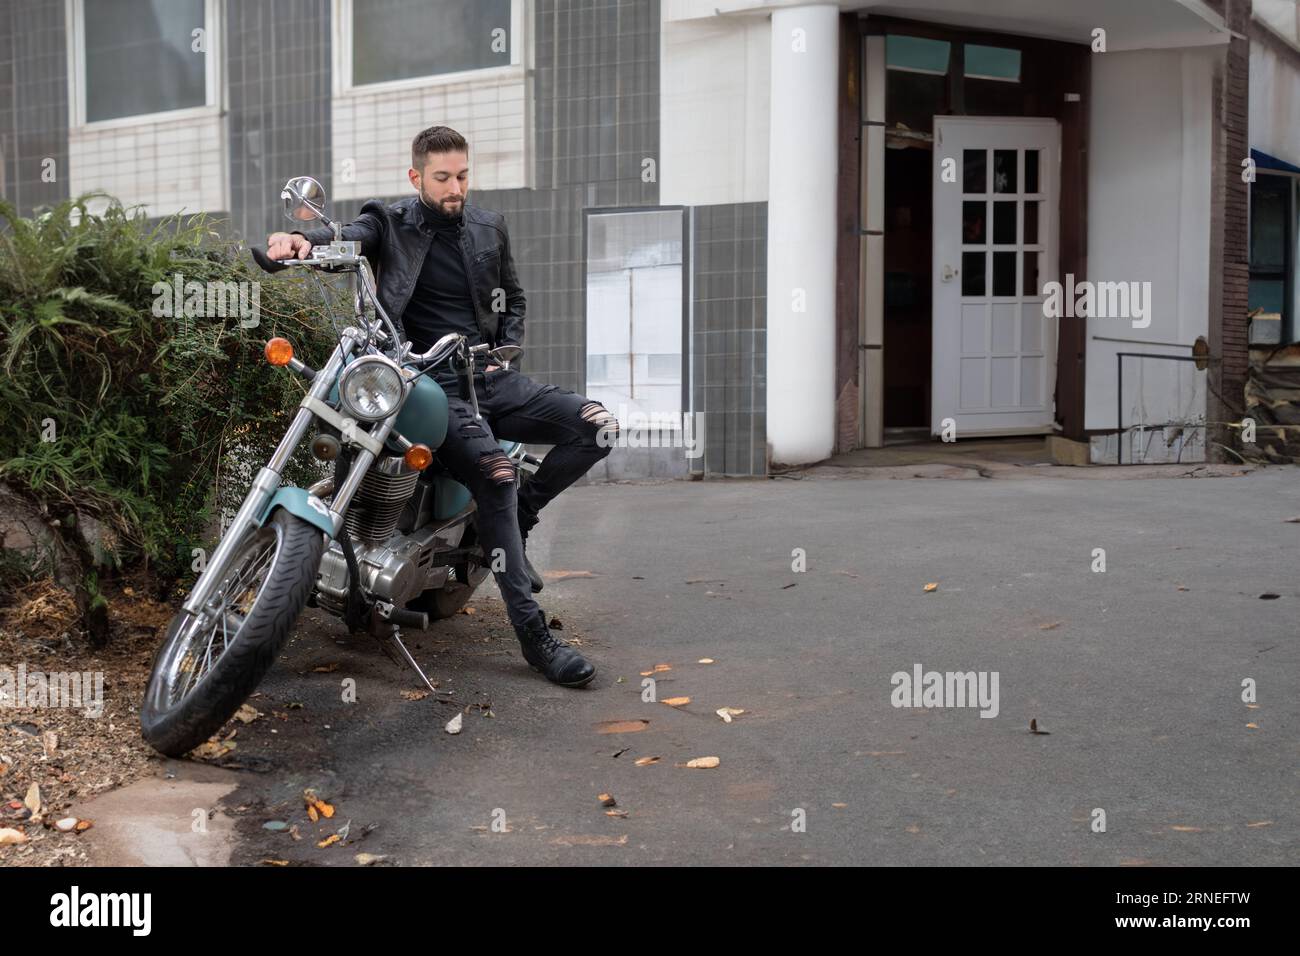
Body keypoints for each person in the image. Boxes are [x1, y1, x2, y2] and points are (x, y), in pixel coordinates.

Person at [266, 125, 615, 688]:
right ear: (417, 177)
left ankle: (521, 518)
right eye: (443, 177)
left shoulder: (487, 227)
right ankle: (537, 640)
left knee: (597, 428)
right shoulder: (389, 221)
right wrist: (299, 243)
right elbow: (346, 242)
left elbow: (513, 296)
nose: (456, 188)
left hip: (489, 377)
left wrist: (507, 348)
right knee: (495, 476)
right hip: (427, 380)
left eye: (463, 176)